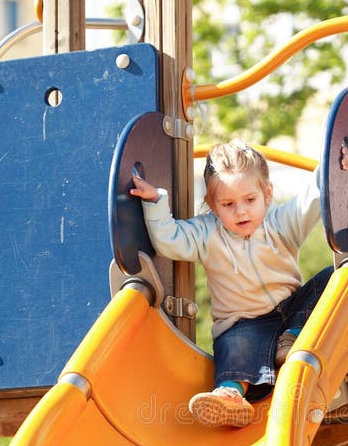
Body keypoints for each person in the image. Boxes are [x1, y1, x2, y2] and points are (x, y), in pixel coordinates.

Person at [130, 140, 333, 428]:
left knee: (333, 277)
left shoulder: (280, 223)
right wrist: (155, 202)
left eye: (250, 200)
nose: (241, 212)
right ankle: (230, 397)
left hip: (290, 311)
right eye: (228, 204)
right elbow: (168, 239)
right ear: (213, 205)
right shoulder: (207, 234)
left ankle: (294, 337)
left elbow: (312, 198)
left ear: (267, 193)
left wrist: (336, 161)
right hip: (244, 324)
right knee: (234, 347)